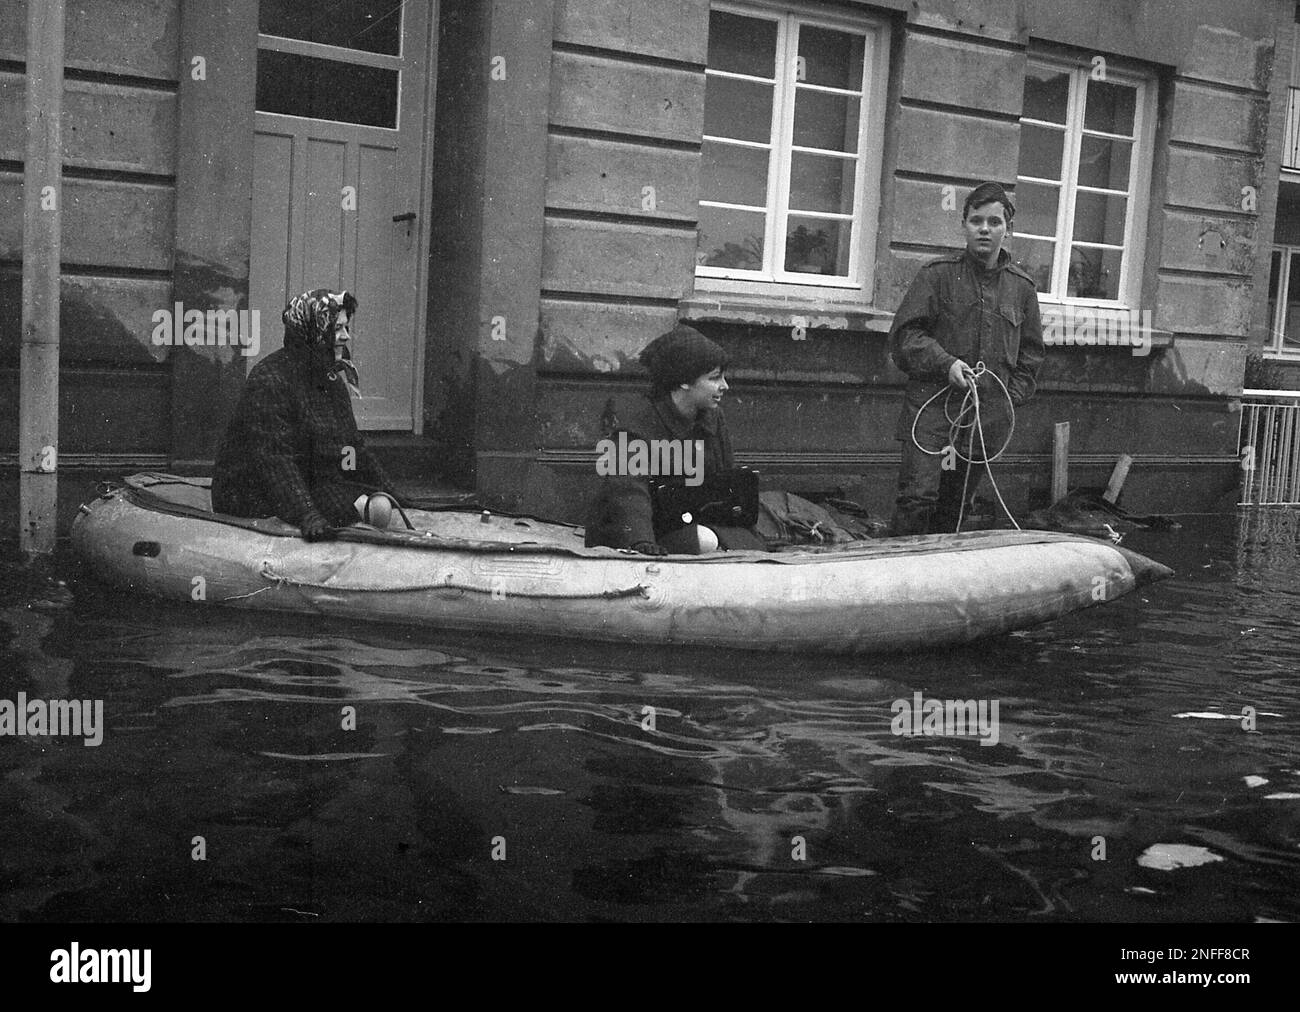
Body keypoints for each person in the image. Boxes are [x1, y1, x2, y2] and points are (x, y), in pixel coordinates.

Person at [888, 181, 1045, 536]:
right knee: (917, 499)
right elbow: (904, 338)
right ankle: (901, 580)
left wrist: (1006, 399)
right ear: (964, 225)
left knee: (956, 506)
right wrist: (947, 364)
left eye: (994, 221)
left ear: (1008, 228)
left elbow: (1031, 356)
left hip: (983, 419)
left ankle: (942, 583)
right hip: (930, 411)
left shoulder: (1022, 289)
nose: (985, 229)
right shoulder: (937, 276)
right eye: (976, 220)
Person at [212, 288, 405, 541]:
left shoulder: (330, 377)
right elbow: (275, 460)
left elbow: (351, 447)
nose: (345, 337)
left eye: (345, 328)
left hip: (305, 478)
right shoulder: (270, 379)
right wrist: (307, 513)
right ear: (313, 331)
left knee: (368, 499)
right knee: (349, 507)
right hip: (252, 488)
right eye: (336, 329)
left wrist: (390, 491)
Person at [584, 324, 763, 555]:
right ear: (684, 381)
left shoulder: (712, 418)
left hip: (688, 518)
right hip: (639, 529)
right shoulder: (636, 425)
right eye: (714, 378)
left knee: (747, 545)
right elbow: (628, 493)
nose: (724, 386)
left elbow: (724, 482)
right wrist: (640, 542)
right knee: (706, 540)